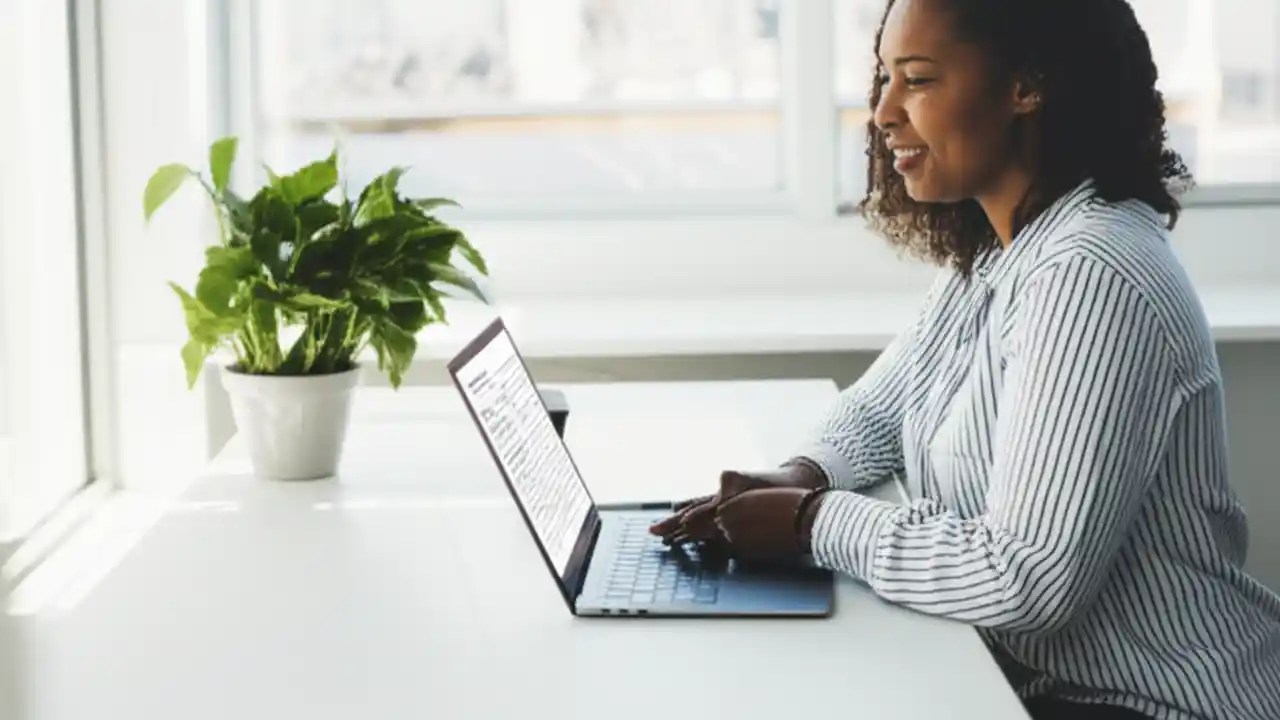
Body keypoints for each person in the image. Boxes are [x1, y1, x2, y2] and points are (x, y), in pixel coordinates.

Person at [650, 1, 1280, 718]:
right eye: (885, 78)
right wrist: (801, 475)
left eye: (917, 80)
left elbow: (1028, 578)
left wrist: (811, 523)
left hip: (1159, 702)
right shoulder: (1000, 255)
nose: (883, 111)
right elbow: (882, 410)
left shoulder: (1092, 273)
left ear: (1027, 84)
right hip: (1053, 691)